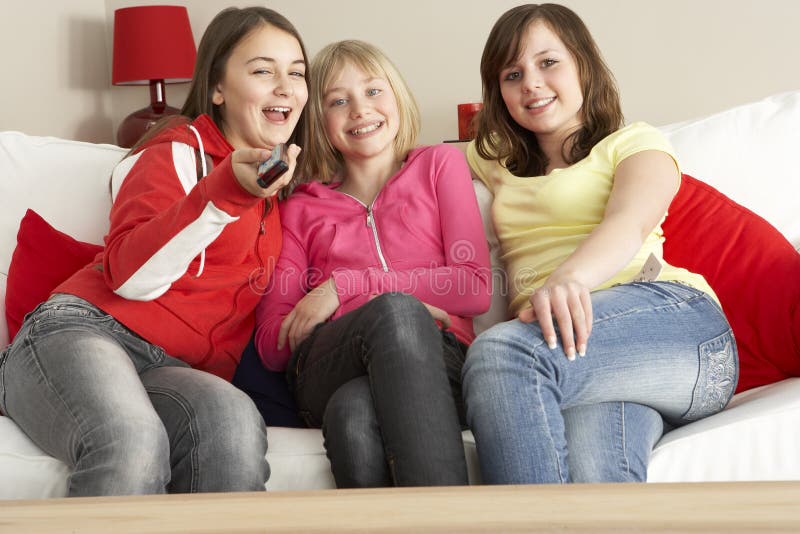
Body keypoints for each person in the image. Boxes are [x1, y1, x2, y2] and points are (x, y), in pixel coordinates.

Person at [0, 7, 309, 496]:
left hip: (170, 367)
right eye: (262, 70)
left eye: (296, 72)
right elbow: (129, 275)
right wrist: (226, 189)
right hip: (79, 332)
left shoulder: (280, 186)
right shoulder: (173, 150)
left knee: (232, 424)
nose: (285, 86)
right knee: (132, 440)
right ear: (217, 89)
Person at [462, 3, 738, 484]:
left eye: (549, 62)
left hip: (677, 330)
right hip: (589, 364)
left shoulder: (634, 142)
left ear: (583, 64)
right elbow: (395, 163)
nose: (530, 82)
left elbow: (629, 221)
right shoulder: (491, 161)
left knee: (501, 352)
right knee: (597, 476)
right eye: (512, 74)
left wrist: (568, 279)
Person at [254, 40, 491, 488]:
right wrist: (397, 306)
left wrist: (344, 287)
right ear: (319, 122)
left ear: (397, 96)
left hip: (441, 360)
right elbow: (272, 342)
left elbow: (474, 288)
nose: (360, 110)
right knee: (398, 313)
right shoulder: (299, 207)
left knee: (354, 411)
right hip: (325, 365)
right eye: (338, 101)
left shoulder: (440, 166)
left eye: (373, 91)